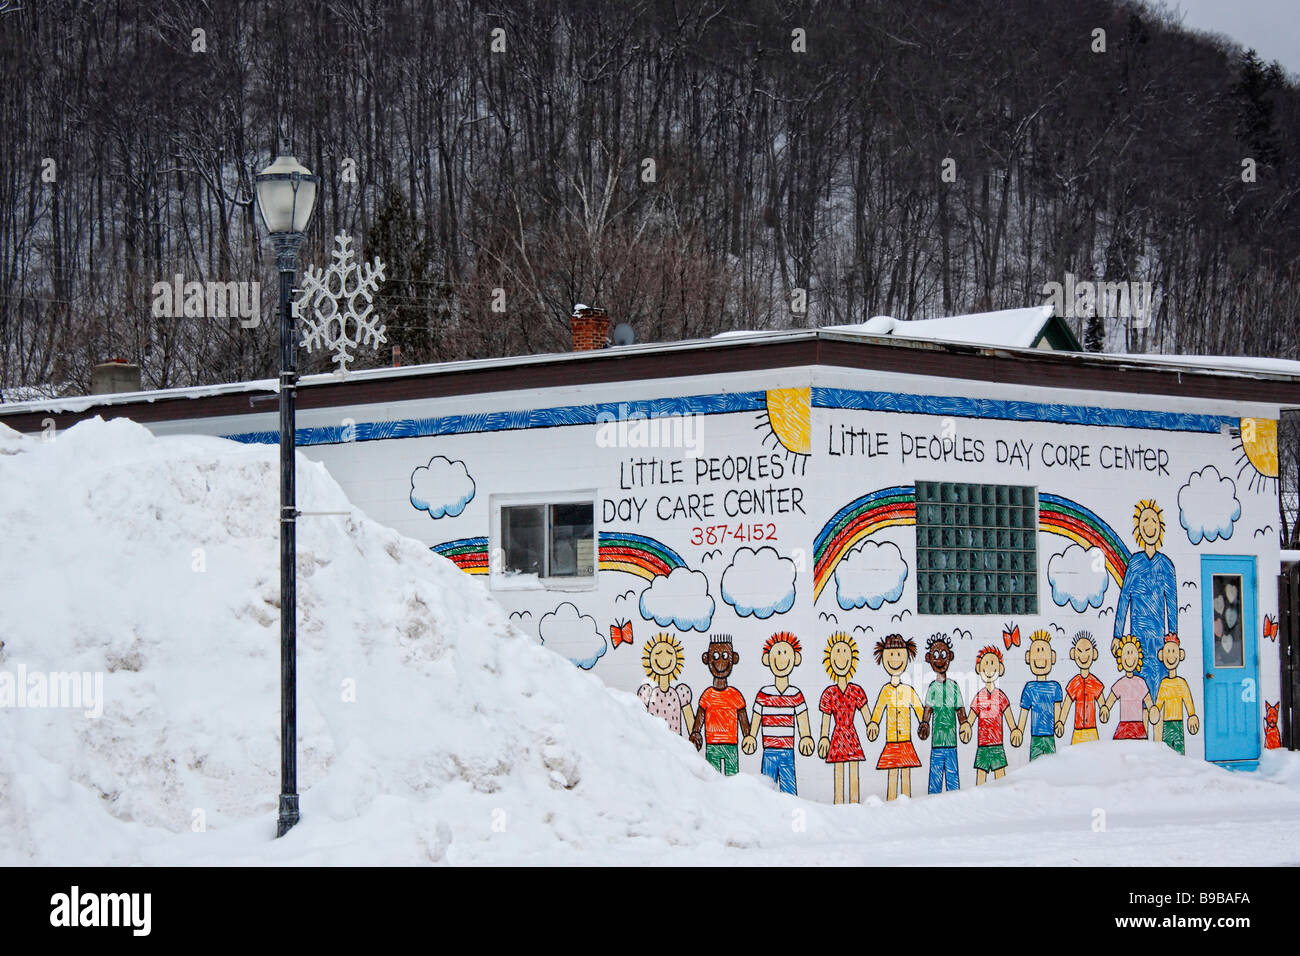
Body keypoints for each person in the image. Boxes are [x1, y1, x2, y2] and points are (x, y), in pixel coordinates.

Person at [1112, 499, 1178, 700]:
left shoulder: (1167, 565)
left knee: (1159, 692)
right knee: (1138, 689)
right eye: (1145, 522)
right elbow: (1124, 599)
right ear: (1139, 529)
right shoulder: (1135, 563)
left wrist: (1173, 637)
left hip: (1159, 639)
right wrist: (1117, 634)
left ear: (1160, 528)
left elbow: (1172, 604)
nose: (1150, 526)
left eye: (1154, 522)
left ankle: (1157, 731)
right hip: (1137, 638)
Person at [743, 632, 815, 795]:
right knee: (766, 792)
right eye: (777, 653)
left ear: (796, 658)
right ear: (767, 659)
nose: (781, 658)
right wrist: (751, 736)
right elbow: (757, 717)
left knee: (789, 791)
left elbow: (802, 718)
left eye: (785, 653)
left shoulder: (796, 694)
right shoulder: (764, 694)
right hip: (768, 751)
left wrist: (806, 737)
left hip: (787, 751)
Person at [867, 634, 924, 800]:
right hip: (891, 741)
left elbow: (919, 711)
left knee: (905, 774)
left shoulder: (909, 690)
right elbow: (878, 710)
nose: (895, 659)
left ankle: (907, 803)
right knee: (892, 774)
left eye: (899, 654)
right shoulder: (885, 690)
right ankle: (891, 802)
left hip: (906, 741)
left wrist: (924, 723)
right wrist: (873, 724)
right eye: (891, 655)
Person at [817, 632, 873, 804]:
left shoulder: (856, 690)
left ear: (852, 660)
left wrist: (871, 724)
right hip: (838, 734)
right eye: (837, 653)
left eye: (845, 653)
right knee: (839, 771)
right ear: (830, 661)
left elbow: (866, 714)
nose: (841, 658)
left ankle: (854, 803)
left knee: (854, 768)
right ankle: (839, 804)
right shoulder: (829, 693)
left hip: (851, 733)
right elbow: (826, 719)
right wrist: (824, 737)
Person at [689, 634, 750, 776]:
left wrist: (748, 736)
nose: (720, 662)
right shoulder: (707, 695)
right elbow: (700, 717)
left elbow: (743, 720)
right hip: (712, 746)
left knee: (732, 777)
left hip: (732, 745)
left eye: (725, 656)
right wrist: (696, 732)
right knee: (713, 780)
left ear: (733, 658)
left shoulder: (736, 695)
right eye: (715, 656)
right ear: (707, 659)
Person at [963, 645, 1021, 783]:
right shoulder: (979, 696)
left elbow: (1008, 716)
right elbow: (971, 718)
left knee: (1000, 776)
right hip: (982, 745)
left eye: (993, 667)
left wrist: (1014, 729)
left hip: (997, 744)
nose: (989, 671)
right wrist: (967, 725)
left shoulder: (1000, 696)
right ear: (979, 669)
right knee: (980, 777)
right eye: (985, 667)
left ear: (1000, 669)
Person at [919, 633, 967, 794]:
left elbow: (960, 709)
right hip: (937, 743)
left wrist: (964, 724)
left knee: (953, 782)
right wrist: (925, 723)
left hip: (952, 742)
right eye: (936, 655)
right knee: (935, 782)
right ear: (929, 659)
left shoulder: (954, 686)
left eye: (943, 655)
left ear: (950, 656)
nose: (940, 660)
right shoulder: (932, 687)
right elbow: (928, 709)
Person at [1017, 630, 1064, 760]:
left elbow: (1057, 710)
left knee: (1052, 767)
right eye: (1036, 652)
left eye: (1044, 652)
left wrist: (1059, 723)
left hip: (1050, 736)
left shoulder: (1055, 687)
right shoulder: (1029, 688)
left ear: (1052, 657)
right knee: (1034, 766)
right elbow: (1024, 712)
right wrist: (1019, 730)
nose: (1040, 657)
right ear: (1028, 657)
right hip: (1035, 737)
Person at [1149, 636, 1200, 755]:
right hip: (1166, 724)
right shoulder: (1164, 684)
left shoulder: (1182, 683)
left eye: (1173, 651)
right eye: (1168, 652)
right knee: (1167, 751)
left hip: (1178, 723)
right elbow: (1159, 703)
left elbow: (1188, 701)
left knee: (1179, 750)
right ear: (1161, 655)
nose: (1171, 656)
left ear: (1180, 655)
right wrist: (1155, 711)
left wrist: (1191, 715)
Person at [636, 633, 693, 737]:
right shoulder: (647, 692)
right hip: (654, 742)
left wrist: (694, 738)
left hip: (676, 743)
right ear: (650, 661)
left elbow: (691, 725)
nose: (663, 658)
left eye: (669, 653)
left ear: (676, 659)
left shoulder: (681, 692)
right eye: (658, 653)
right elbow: (638, 718)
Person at [1102, 635, 1154, 740]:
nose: (1129, 656)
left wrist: (1152, 709)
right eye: (1127, 653)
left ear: (1138, 657)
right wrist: (1106, 708)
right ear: (1120, 658)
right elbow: (1111, 700)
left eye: (1132, 653)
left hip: (1138, 726)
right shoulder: (1121, 683)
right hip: (1124, 726)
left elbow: (1149, 702)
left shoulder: (1141, 683)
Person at [1060, 631, 1105, 744]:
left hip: (1092, 730)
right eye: (1079, 651)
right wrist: (1061, 721)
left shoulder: (1094, 682)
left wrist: (1104, 709)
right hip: (1078, 731)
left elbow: (1101, 702)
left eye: (1087, 651)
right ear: (1073, 654)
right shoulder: (1074, 683)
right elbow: (1067, 704)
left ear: (1094, 653)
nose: (1083, 655)